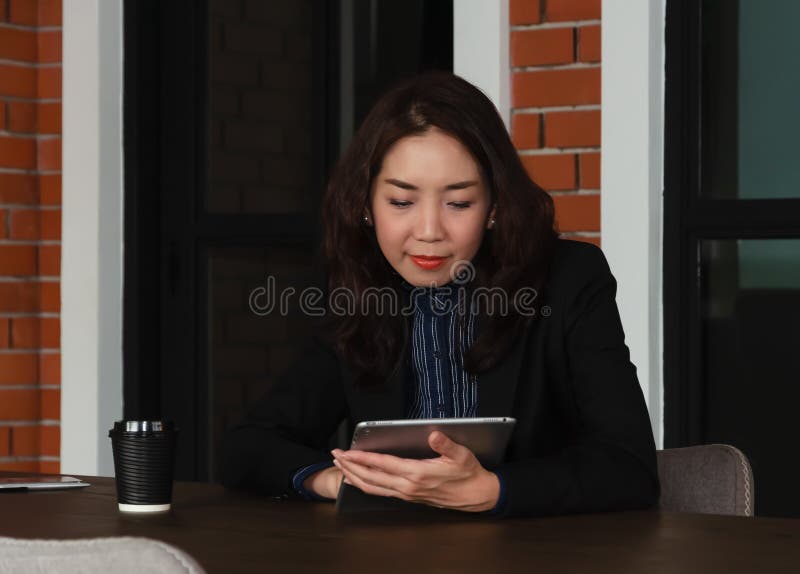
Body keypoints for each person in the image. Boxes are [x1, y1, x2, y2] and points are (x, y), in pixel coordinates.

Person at [221, 72, 660, 518]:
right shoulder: (359, 290)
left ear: (494, 207)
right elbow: (247, 447)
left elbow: (630, 467)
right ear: (364, 206)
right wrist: (336, 480)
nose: (429, 232)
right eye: (401, 202)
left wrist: (492, 489)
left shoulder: (570, 278)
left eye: (459, 203)